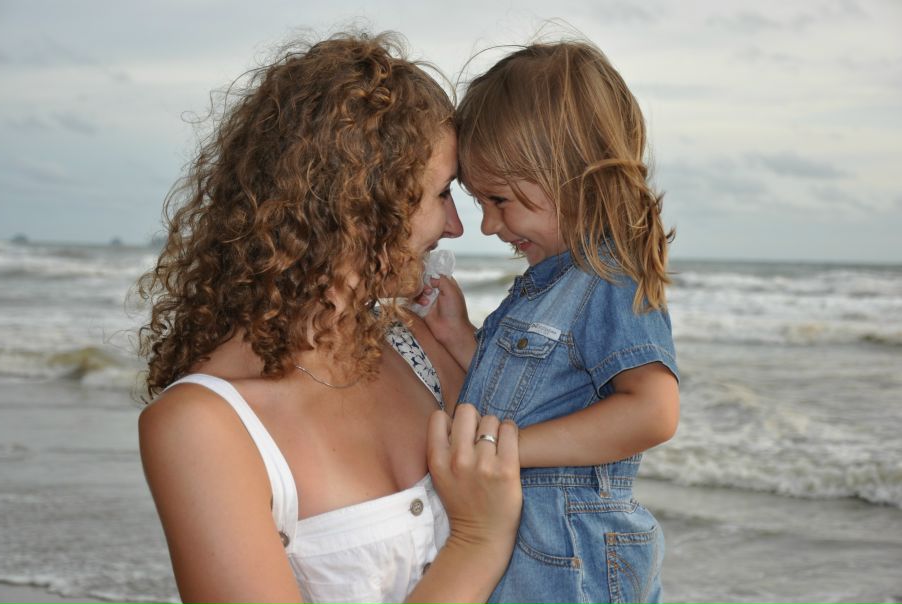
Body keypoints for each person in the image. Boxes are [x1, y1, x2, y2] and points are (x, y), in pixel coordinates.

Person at [136, 32, 522, 604]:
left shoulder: (420, 345)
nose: (456, 226)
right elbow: (487, 527)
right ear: (360, 205)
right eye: (442, 194)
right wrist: (477, 539)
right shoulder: (203, 427)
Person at [421, 40, 680, 603]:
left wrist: (504, 449)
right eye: (479, 202)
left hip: (576, 557)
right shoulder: (548, 285)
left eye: (500, 200)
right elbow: (532, 392)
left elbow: (653, 412)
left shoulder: (609, 278)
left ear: (575, 177)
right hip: (536, 552)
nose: (487, 225)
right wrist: (460, 337)